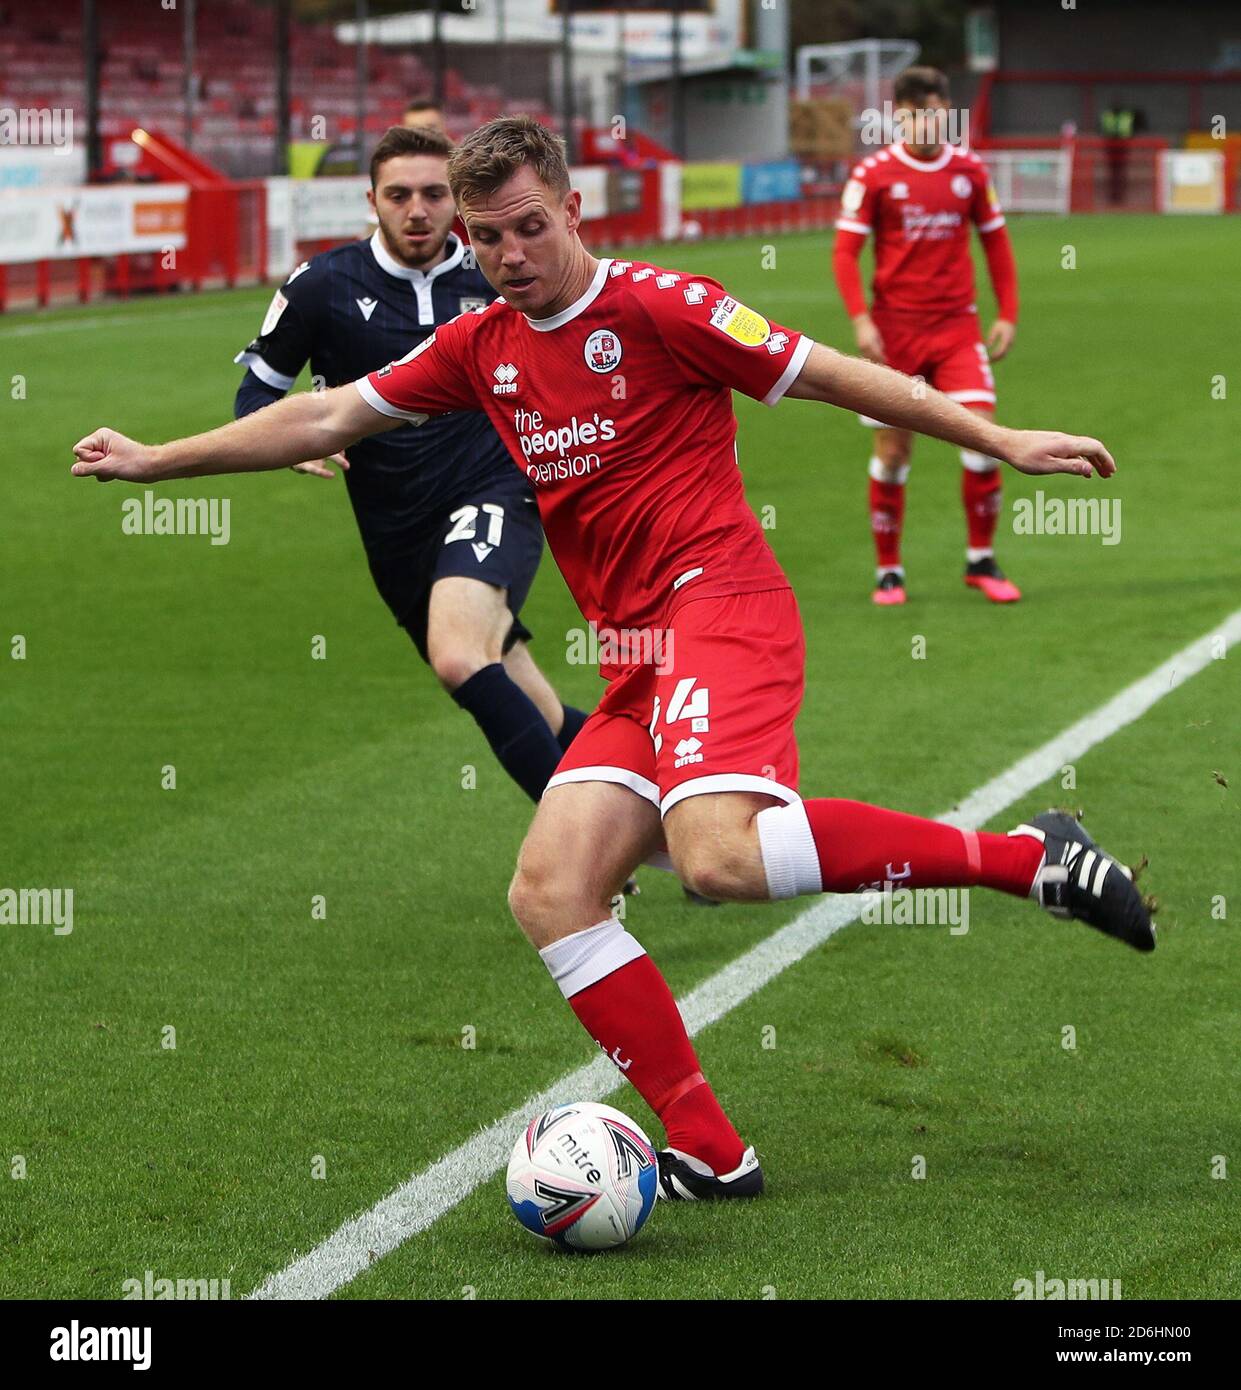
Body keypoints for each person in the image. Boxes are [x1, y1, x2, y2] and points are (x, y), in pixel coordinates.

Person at [72, 116, 1154, 1205]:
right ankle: (711, 1151)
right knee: (550, 890)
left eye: (528, 229)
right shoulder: (478, 347)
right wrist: (155, 461)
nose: (507, 256)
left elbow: (828, 374)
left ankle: (1030, 859)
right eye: (485, 237)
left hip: (719, 605)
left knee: (716, 858)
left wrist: (1000, 438)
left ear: (573, 210)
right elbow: (324, 414)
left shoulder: (658, 306)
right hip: (637, 653)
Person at [238, 124, 589, 805]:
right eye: (398, 195)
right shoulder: (321, 285)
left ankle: (581, 846)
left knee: (459, 656)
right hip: (393, 523)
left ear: (458, 202)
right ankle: (674, 815)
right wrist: (292, 436)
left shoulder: (498, 271)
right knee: (522, 697)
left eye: (434, 194)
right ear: (372, 199)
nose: (417, 210)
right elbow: (260, 388)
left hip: (495, 486)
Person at [833, 66, 1022, 606]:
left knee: (983, 437)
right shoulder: (873, 174)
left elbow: (997, 245)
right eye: (914, 113)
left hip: (957, 329)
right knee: (894, 451)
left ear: (946, 112)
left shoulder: (969, 171)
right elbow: (845, 253)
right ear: (899, 117)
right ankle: (889, 570)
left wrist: (1007, 312)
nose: (925, 121)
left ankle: (980, 560)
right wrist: (862, 320)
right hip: (894, 336)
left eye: (935, 110)